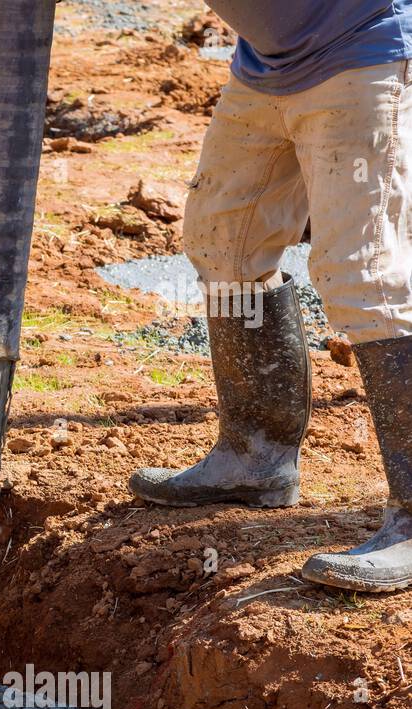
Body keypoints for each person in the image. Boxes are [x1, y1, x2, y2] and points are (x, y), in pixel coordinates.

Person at [129, 2, 412, 592]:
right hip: (267, 65)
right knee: (224, 244)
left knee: (365, 275)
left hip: (361, 52)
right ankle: (256, 456)